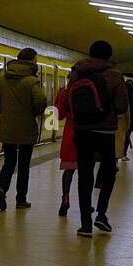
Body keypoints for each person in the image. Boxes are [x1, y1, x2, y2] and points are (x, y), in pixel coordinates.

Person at [66, 40, 129, 237]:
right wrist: (106, 111)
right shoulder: (114, 75)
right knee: (108, 172)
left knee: (84, 173)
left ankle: (85, 224)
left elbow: (68, 102)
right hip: (105, 131)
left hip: (81, 130)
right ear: (109, 56)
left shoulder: (77, 73)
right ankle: (101, 214)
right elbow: (122, 106)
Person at [0, 47, 48, 210]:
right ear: (32, 61)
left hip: (8, 128)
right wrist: (34, 112)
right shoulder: (32, 81)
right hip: (27, 129)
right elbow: (40, 100)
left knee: (9, 162)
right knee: (24, 165)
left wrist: (5, 111)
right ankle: (21, 199)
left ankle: (1, 188)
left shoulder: (3, 79)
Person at [55, 82, 78, 216]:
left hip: (71, 134)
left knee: (68, 171)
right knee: (86, 173)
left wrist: (58, 98)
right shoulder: (92, 89)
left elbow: (59, 116)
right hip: (88, 134)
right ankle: (86, 203)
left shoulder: (65, 93)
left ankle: (65, 197)